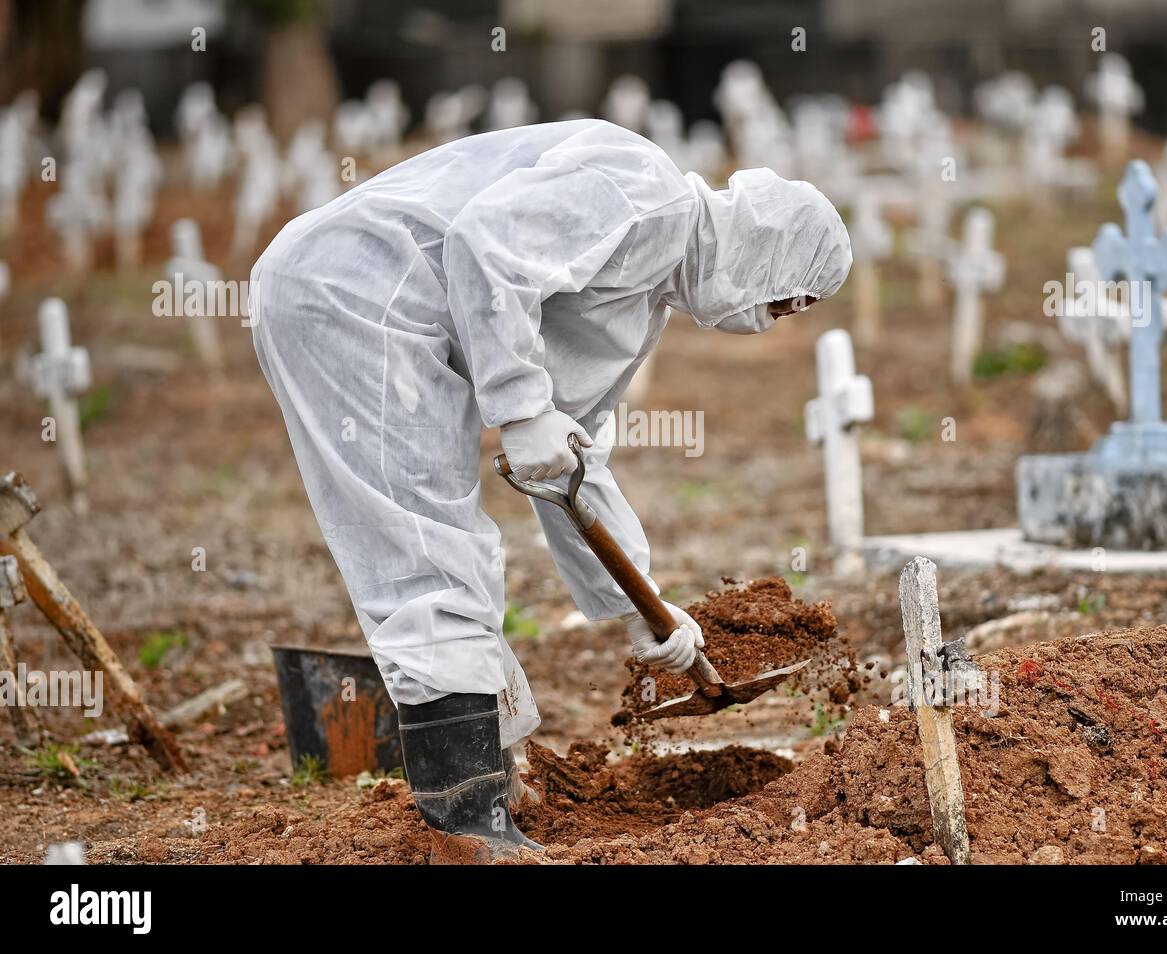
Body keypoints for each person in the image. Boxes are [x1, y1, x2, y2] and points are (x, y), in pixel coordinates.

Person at [249, 118, 851, 857]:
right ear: (768, 250)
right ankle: (466, 822)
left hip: (388, 314)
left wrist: (641, 605)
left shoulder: (639, 304)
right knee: (424, 548)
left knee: (449, 554)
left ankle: (496, 785)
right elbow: (485, 247)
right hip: (356, 291)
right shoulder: (647, 191)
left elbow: (571, 464)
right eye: (786, 302)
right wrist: (519, 402)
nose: (770, 323)